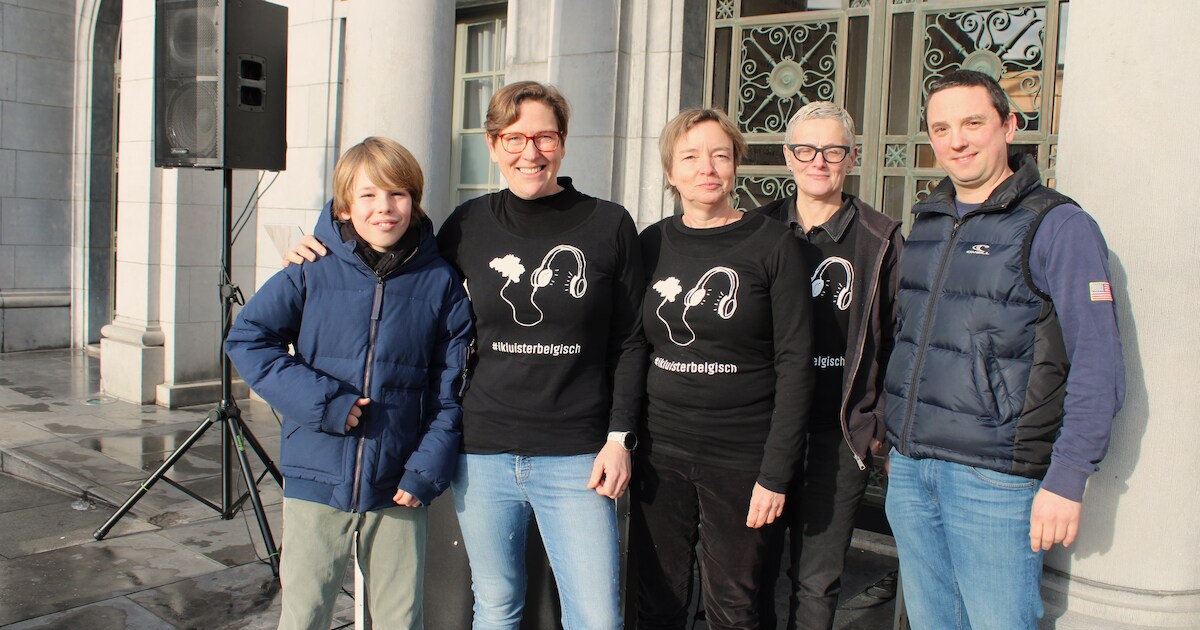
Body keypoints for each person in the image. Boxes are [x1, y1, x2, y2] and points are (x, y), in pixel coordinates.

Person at [286, 81, 645, 629]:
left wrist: (620, 439)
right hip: (482, 454)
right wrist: (322, 242)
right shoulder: (468, 224)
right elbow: (390, 253)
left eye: (545, 137)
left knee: (597, 616)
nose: (531, 152)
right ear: (494, 144)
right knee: (497, 606)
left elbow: (629, 341)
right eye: (515, 137)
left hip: (578, 454)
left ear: (564, 143)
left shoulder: (609, 224)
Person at [882, 69, 1125, 629]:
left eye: (973, 123)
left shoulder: (1058, 226)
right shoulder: (929, 220)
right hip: (914, 471)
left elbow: (1098, 362)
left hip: (994, 482)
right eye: (941, 128)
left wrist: (1068, 478)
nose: (957, 140)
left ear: (1009, 126)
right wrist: (896, 443)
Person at [226, 136, 474, 630]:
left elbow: (451, 389)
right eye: (369, 195)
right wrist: (325, 404)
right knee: (305, 613)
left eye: (398, 194)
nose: (385, 208)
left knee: (400, 618)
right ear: (344, 205)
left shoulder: (440, 282)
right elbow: (248, 338)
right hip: (315, 473)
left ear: (415, 200)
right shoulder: (311, 269)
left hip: (398, 481)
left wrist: (426, 468)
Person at [634, 107, 812, 630]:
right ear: (671, 171)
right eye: (690, 156)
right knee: (658, 599)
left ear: (736, 164)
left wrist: (775, 473)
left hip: (742, 458)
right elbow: (633, 347)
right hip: (660, 452)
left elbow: (797, 364)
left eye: (720, 154)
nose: (706, 167)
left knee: (735, 607)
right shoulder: (652, 243)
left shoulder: (774, 245)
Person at [754, 102, 902, 630]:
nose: (819, 161)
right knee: (752, 572)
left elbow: (897, 335)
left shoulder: (880, 239)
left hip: (839, 434)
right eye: (806, 149)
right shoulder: (759, 228)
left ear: (851, 157)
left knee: (816, 583)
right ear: (789, 157)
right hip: (764, 431)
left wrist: (878, 422)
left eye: (833, 150)